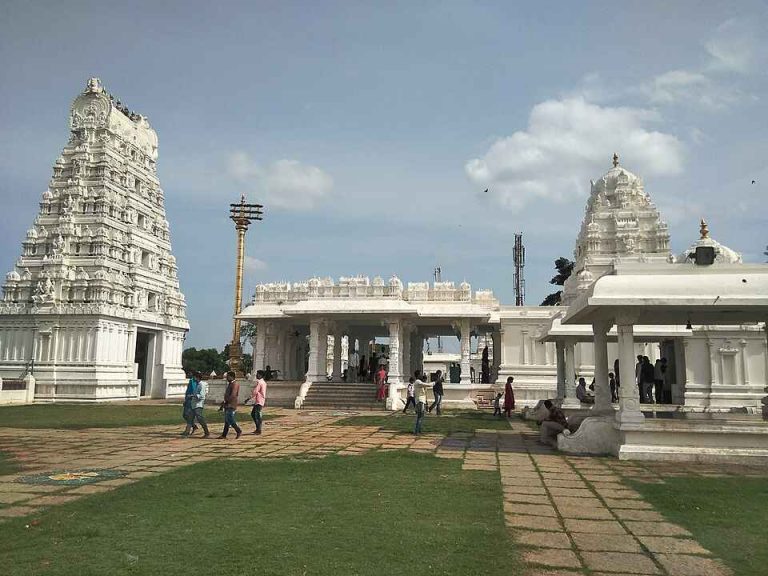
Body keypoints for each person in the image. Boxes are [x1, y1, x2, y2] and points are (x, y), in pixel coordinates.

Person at [218, 371, 242, 439]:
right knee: (227, 421)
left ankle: (238, 430)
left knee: (230, 419)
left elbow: (233, 395)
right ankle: (224, 435)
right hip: (228, 404)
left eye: (228, 376)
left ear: (231, 376)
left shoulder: (235, 384)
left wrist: (226, 401)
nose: (227, 378)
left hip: (231, 404)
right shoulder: (230, 384)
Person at [188, 372, 210, 438]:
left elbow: (202, 396)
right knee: (190, 417)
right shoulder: (198, 384)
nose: (193, 378)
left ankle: (207, 432)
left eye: (194, 377)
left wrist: (193, 395)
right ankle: (191, 430)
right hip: (194, 404)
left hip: (198, 404)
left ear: (197, 377)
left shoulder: (201, 385)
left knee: (200, 418)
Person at [248, 369, 267, 435]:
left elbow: (255, 391)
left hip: (259, 400)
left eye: (257, 374)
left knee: (257, 415)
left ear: (261, 375)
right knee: (254, 414)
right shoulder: (263, 382)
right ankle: (258, 428)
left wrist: (249, 398)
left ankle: (259, 429)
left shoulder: (260, 382)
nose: (256, 375)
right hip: (260, 400)